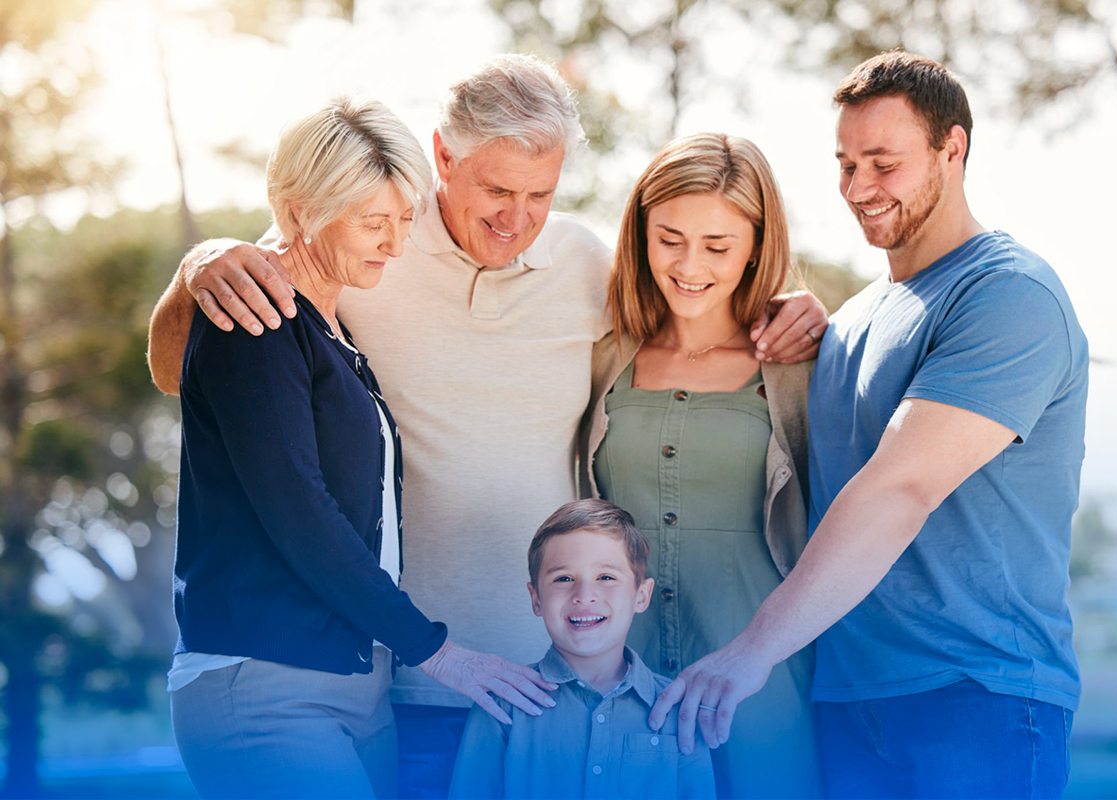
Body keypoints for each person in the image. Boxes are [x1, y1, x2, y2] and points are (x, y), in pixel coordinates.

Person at [146, 55, 827, 798]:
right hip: (394, 671)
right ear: (443, 155)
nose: (517, 217)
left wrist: (793, 308)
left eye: (540, 194)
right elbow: (185, 363)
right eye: (496, 189)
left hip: (541, 687)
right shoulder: (368, 243)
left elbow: (697, 319)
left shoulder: (586, 265)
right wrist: (201, 264)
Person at [648, 51, 1088, 800]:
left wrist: (750, 651)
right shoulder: (850, 323)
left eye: (884, 163)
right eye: (846, 164)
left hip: (978, 698)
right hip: (844, 701)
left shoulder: (1008, 296)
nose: (858, 189)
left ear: (954, 149)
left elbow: (901, 486)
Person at [168, 96, 555, 800]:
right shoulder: (254, 321)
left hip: (357, 685)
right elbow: (301, 513)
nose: (396, 244)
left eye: (405, 219)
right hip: (264, 682)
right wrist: (437, 650)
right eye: (373, 223)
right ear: (296, 212)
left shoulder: (335, 334)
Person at [578, 133, 821, 799]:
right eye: (669, 238)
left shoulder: (801, 366)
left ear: (756, 246)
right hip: (619, 693)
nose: (689, 265)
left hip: (762, 697)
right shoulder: (602, 357)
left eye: (718, 246)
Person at [448, 499, 716, 800]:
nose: (584, 595)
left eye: (606, 577)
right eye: (564, 578)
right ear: (536, 599)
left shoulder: (679, 709)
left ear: (642, 595)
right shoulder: (501, 704)